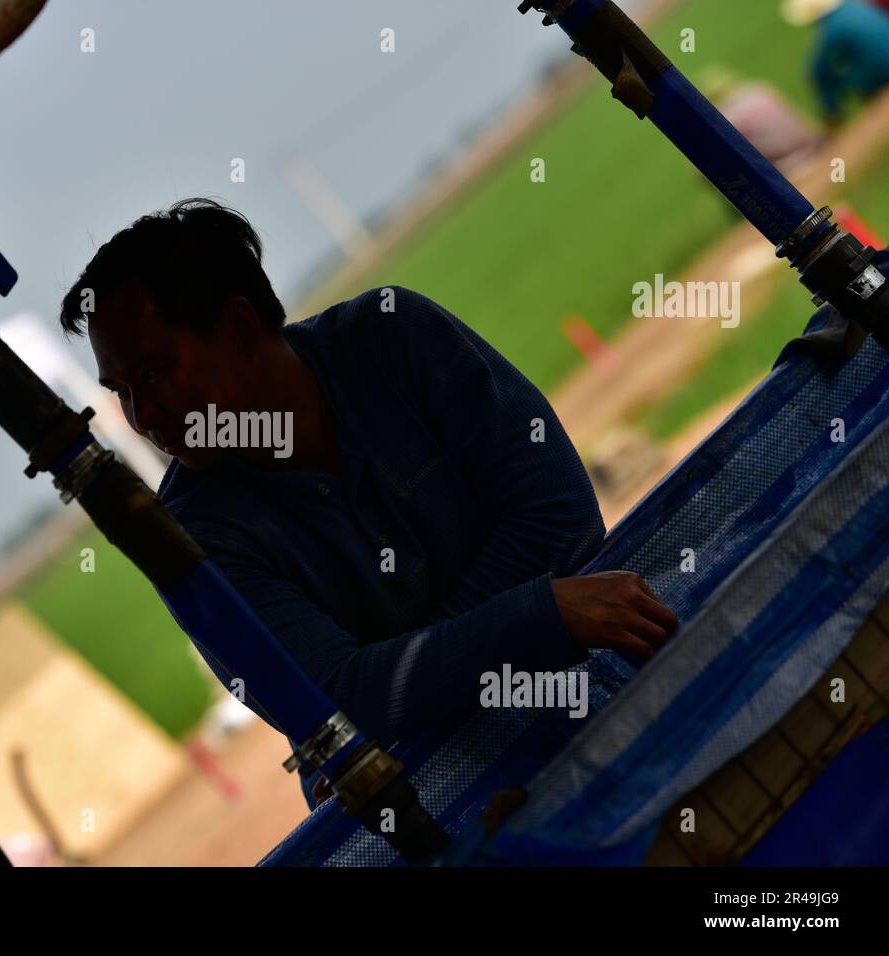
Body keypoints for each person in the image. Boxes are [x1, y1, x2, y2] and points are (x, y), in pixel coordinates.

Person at [59, 198, 679, 809]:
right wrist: (536, 616)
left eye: (153, 373)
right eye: (121, 391)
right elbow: (336, 703)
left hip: (604, 707)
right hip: (443, 808)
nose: (141, 417)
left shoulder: (393, 338)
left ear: (242, 328)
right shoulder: (189, 539)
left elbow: (559, 518)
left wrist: (410, 684)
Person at [782, 0, 889, 127]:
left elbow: (817, 69)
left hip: (883, 71)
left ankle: (833, 117)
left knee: (822, 76)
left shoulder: (833, 28)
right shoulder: (854, 6)